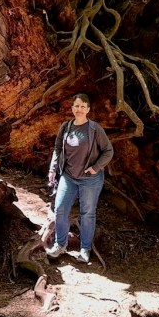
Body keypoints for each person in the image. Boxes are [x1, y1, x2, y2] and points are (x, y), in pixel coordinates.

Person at [46, 92, 113, 265]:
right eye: (76, 106)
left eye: (83, 106)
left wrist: (96, 168)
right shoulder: (66, 127)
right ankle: (60, 245)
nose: (79, 109)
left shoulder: (94, 129)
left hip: (90, 179)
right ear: (72, 108)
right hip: (68, 177)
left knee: (87, 214)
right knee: (60, 209)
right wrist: (53, 169)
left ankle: (85, 249)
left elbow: (108, 151)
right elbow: (57, 149)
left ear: (88, 109)